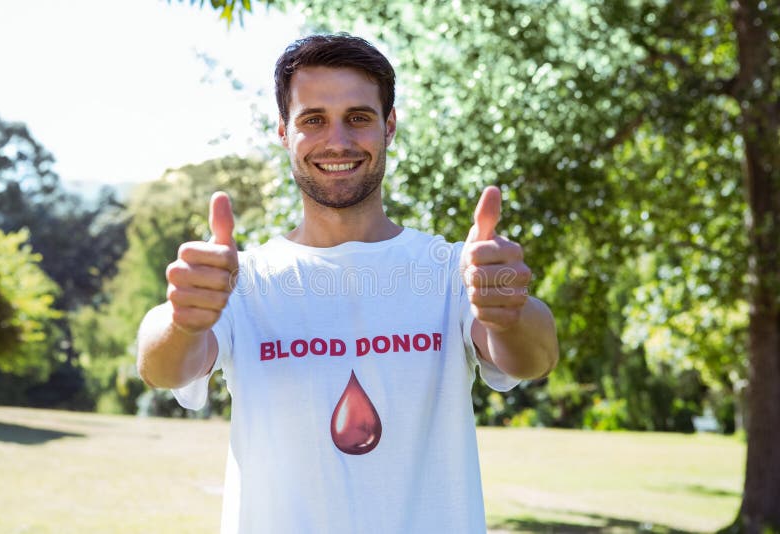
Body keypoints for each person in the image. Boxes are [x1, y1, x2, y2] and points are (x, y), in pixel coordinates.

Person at [137, 33, 559, 534]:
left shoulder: (451, 270)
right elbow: (161, 366)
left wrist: (508, 313)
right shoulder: (239, 280)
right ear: (283, 132)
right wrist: (183, 321)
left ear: (390, 126)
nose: (336, 140)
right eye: (313, 120)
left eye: (358, 117)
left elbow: (532, 357)